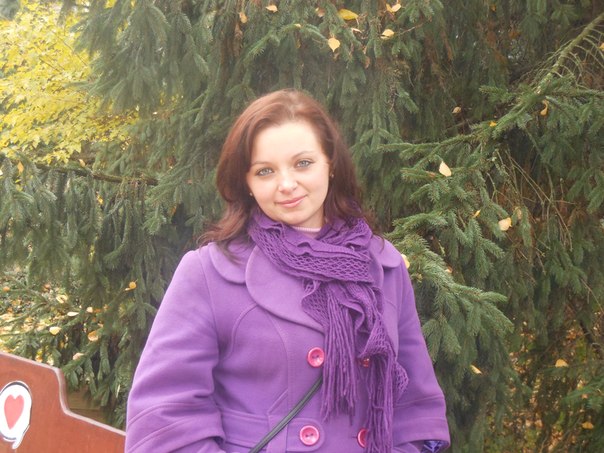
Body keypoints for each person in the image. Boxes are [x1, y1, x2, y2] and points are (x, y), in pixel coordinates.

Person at [125, 89, 450, 453]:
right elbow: (164, 418)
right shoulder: (208, 273)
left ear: (331, 163)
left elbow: (416, 408)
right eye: (265, 171)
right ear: (247, 183)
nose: (286, 184)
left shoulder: (382, 265)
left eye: (303, 163)